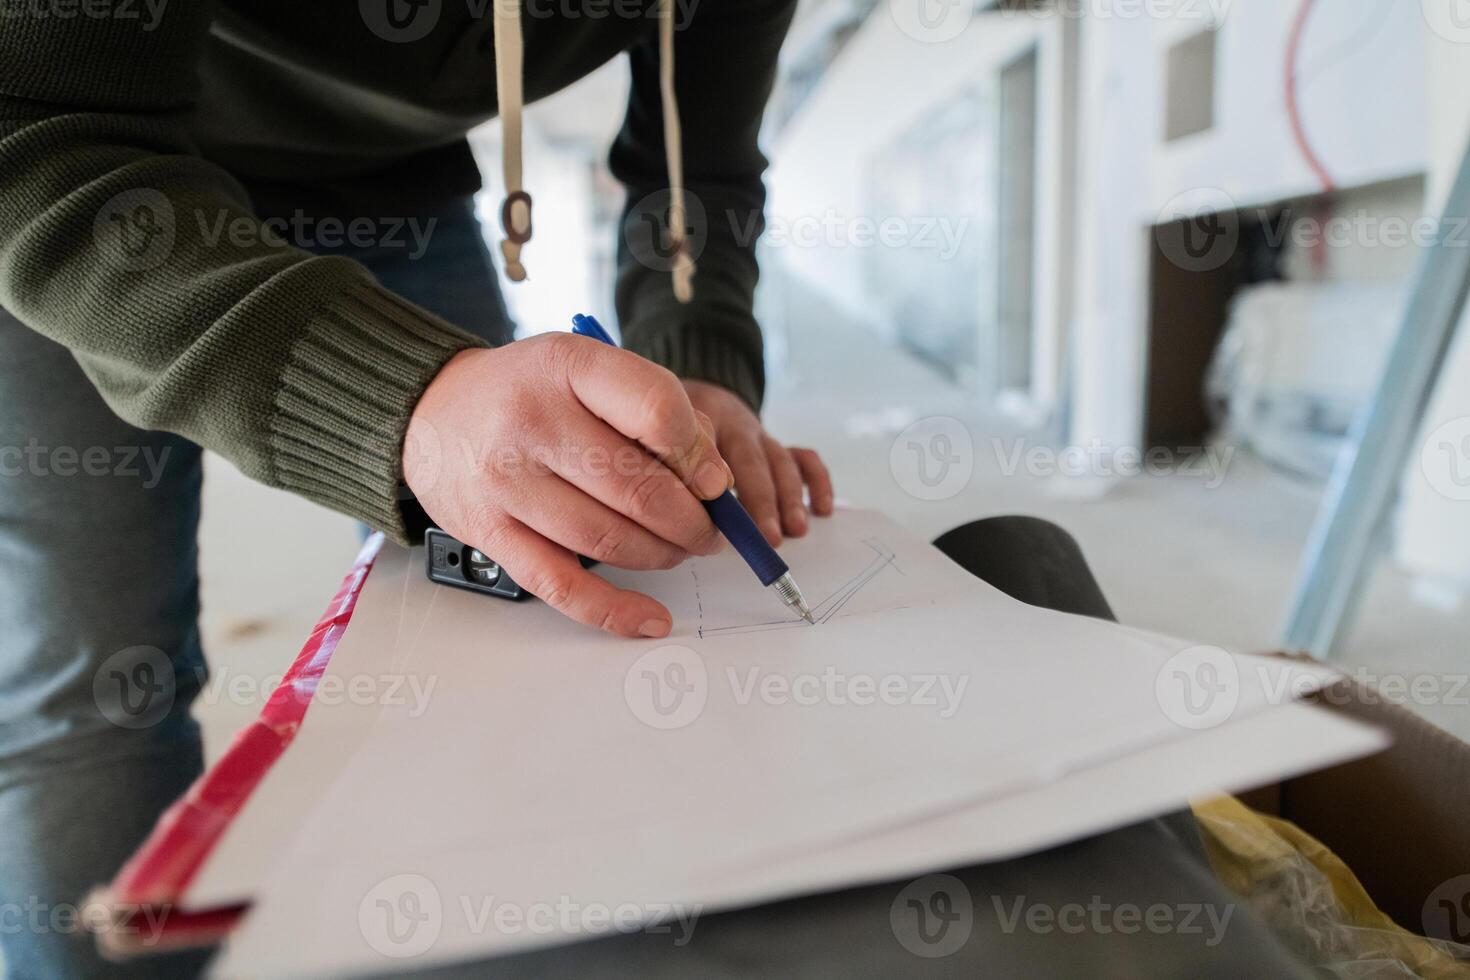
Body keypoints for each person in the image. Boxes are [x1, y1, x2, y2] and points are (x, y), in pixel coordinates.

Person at [0, 3, 1309, 977]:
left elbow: (696, 177)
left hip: (394, 187)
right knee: (90, 676)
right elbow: (30, 118)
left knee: (499, 605)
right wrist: (405, 405)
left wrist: (695, 377)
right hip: (82, 171)